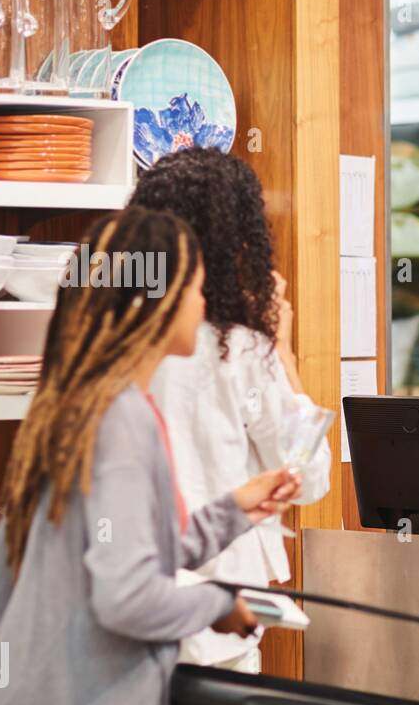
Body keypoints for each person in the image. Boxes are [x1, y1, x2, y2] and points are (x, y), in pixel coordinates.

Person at [0, 208, 302, 705]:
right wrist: (219, 603)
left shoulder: (89, 403)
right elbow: (126, 595)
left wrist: (233, 511)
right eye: (195, 288)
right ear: (155, 302)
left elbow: (130, 551)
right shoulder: (122, 419)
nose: (203, 302)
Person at [129, 148, 332, 673]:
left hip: (127, 623)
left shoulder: (108, 339)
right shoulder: (238, 349)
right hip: (219, 621)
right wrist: (283, 352)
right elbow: (308, 476)